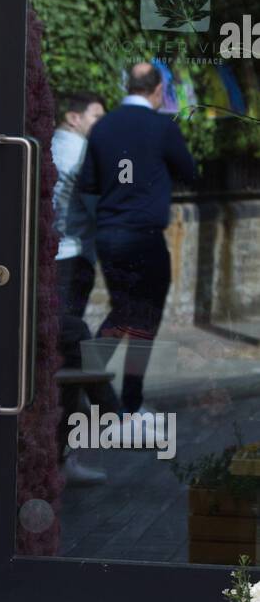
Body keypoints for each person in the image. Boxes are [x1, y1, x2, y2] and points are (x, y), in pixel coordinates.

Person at [80, 62, 196, 417]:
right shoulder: (162, 127)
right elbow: (190, 173)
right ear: (159, 89)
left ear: (127, 86)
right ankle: (127, 401)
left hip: (109, 235)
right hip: (144, 237)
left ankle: (84, 385)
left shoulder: (102, 127)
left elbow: (89, 185)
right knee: (143, 318)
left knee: (124, 312)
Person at [52, 90, 108, 485]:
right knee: (70, 356)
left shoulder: (53, 146)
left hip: (57, 259)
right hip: (71, 261)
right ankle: (64, 458)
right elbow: (101, 209)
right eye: (96, 116)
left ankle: (59, 456)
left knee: (59, 356)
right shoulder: (81, 155)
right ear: (74, 117)